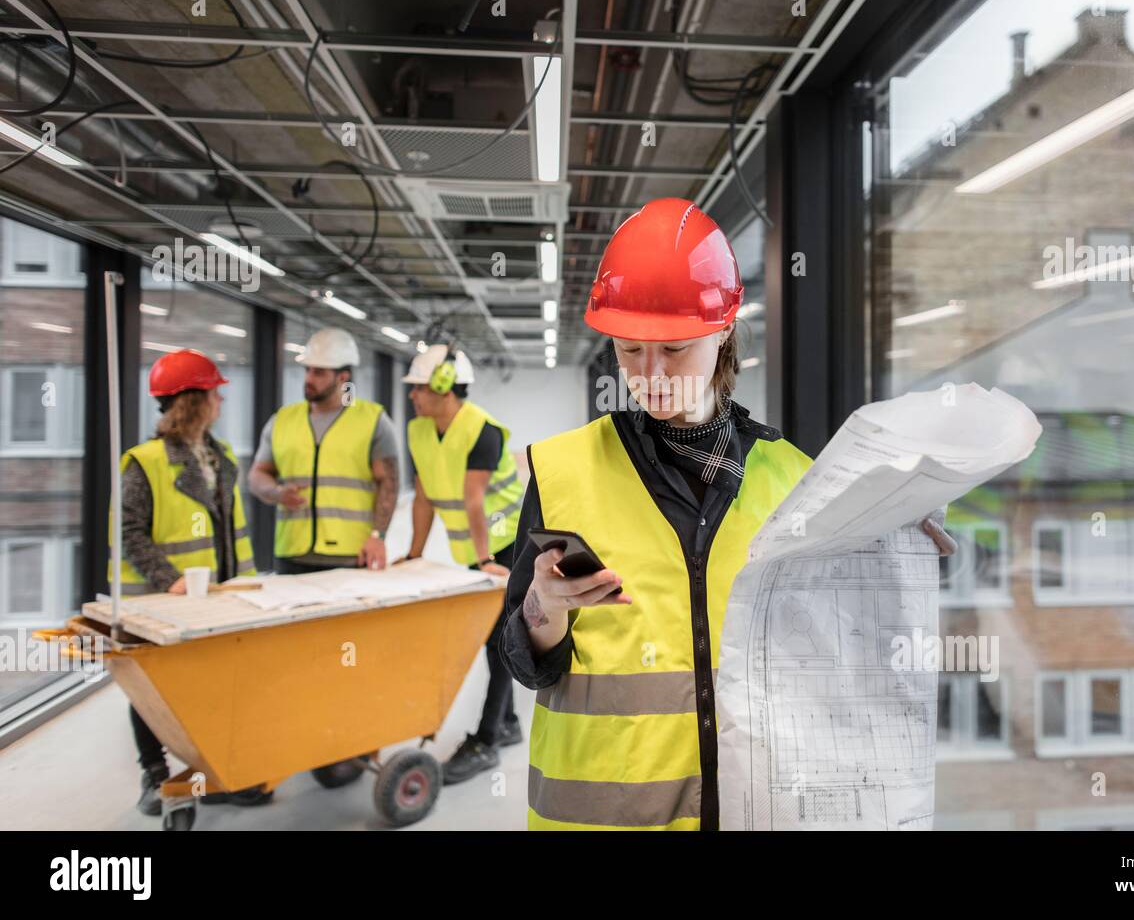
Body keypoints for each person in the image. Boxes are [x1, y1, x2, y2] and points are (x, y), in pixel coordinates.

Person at [498, 198, 957, 830]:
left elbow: (843, 643)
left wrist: (894, 534)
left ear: (724, 334)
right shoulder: (563, 472)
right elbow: (523, 660)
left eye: (676, 350)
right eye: (629, 352)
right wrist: (545, 609)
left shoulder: (797, 479)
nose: (650, 376)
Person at [116, 348, 266, 815]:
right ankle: (155, 774)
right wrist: (170, 578)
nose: (220, 402)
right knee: (153, 693)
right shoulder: (145, 462)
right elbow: (129, 532)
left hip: (218, 598)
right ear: (192, 402)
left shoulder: (219, 458)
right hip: (161, 601)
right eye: (214, 394)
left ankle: (218, 773)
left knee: (216, 689)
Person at [399, 344, 525, 783]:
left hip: (507, 545)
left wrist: (486, 559)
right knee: (490, 638)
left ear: (443, 386)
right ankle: (507, 725)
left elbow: (475, 503)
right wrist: (414, 553)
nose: (412, 395)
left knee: (499, 642)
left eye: (417, 387)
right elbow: (423, 497)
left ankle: (487, 741)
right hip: (479, 553)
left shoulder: (482, 431)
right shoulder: (418, 432)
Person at [248, 327, 400, 574]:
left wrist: (378, 535)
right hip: (292, 551)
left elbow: (390, 483)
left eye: (319, 372)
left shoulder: (373, 420)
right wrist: (276, 492)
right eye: (307, 370)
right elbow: (257, 475)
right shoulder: (283, 420)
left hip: (352, 552)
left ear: (343, 377)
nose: (309, 379)